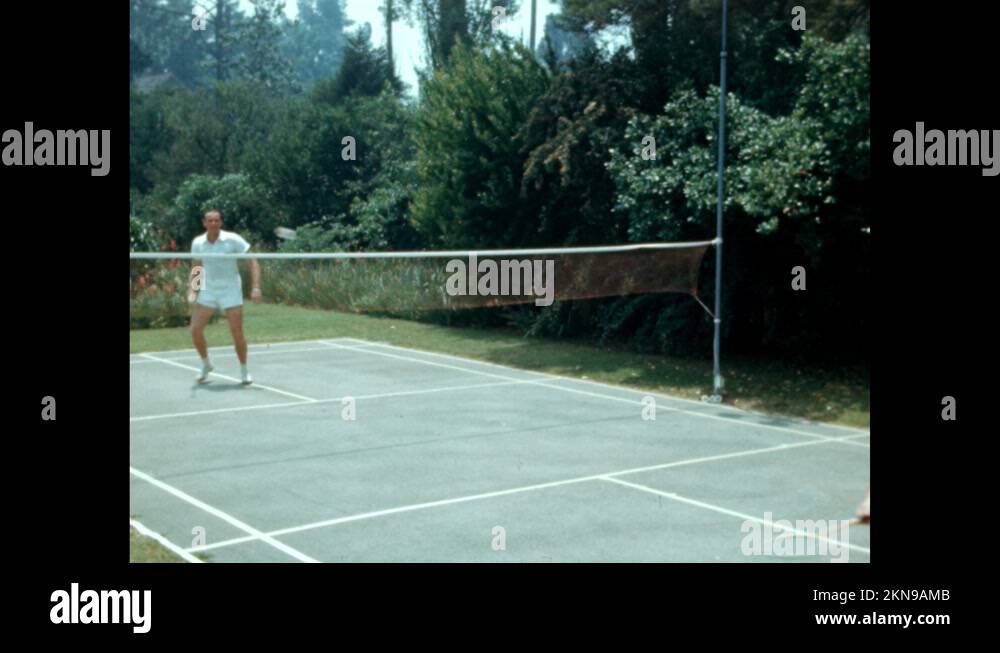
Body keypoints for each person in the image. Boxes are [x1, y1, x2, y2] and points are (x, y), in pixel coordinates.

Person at [187, 210, 262, 385]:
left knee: (237, 332)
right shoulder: (198, 242)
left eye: (217, 220)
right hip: (209, 289)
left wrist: (256, 288)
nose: (214, 223)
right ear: (204, 223)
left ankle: (244, 369)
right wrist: (193, 290)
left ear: (220, 222)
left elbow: (253, 262)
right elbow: (196, 267)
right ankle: (206, 364)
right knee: (195, 329)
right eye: (210, 221)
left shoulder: (233, 239)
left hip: (230, 288)